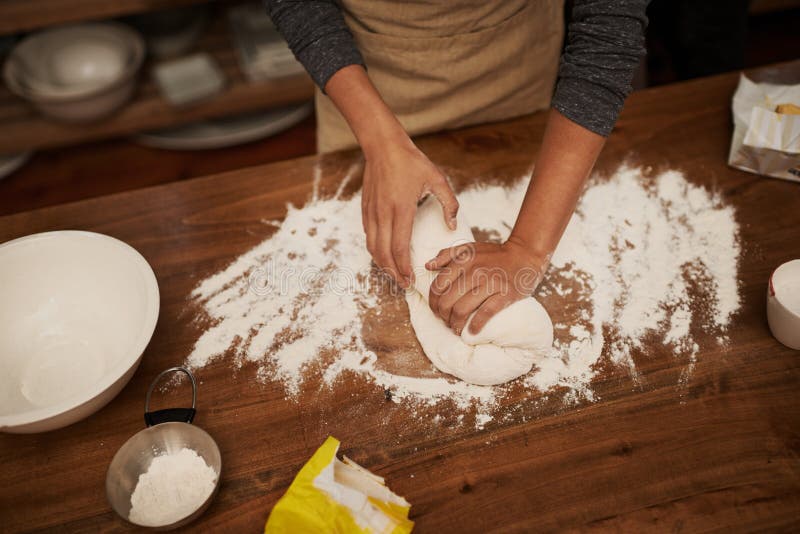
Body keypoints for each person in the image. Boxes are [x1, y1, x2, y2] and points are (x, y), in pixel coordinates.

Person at [266, 0, 648, 335]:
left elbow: (607, 36)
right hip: (362, 91)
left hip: (516, 82)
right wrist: (381, 143)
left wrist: (528, 248)